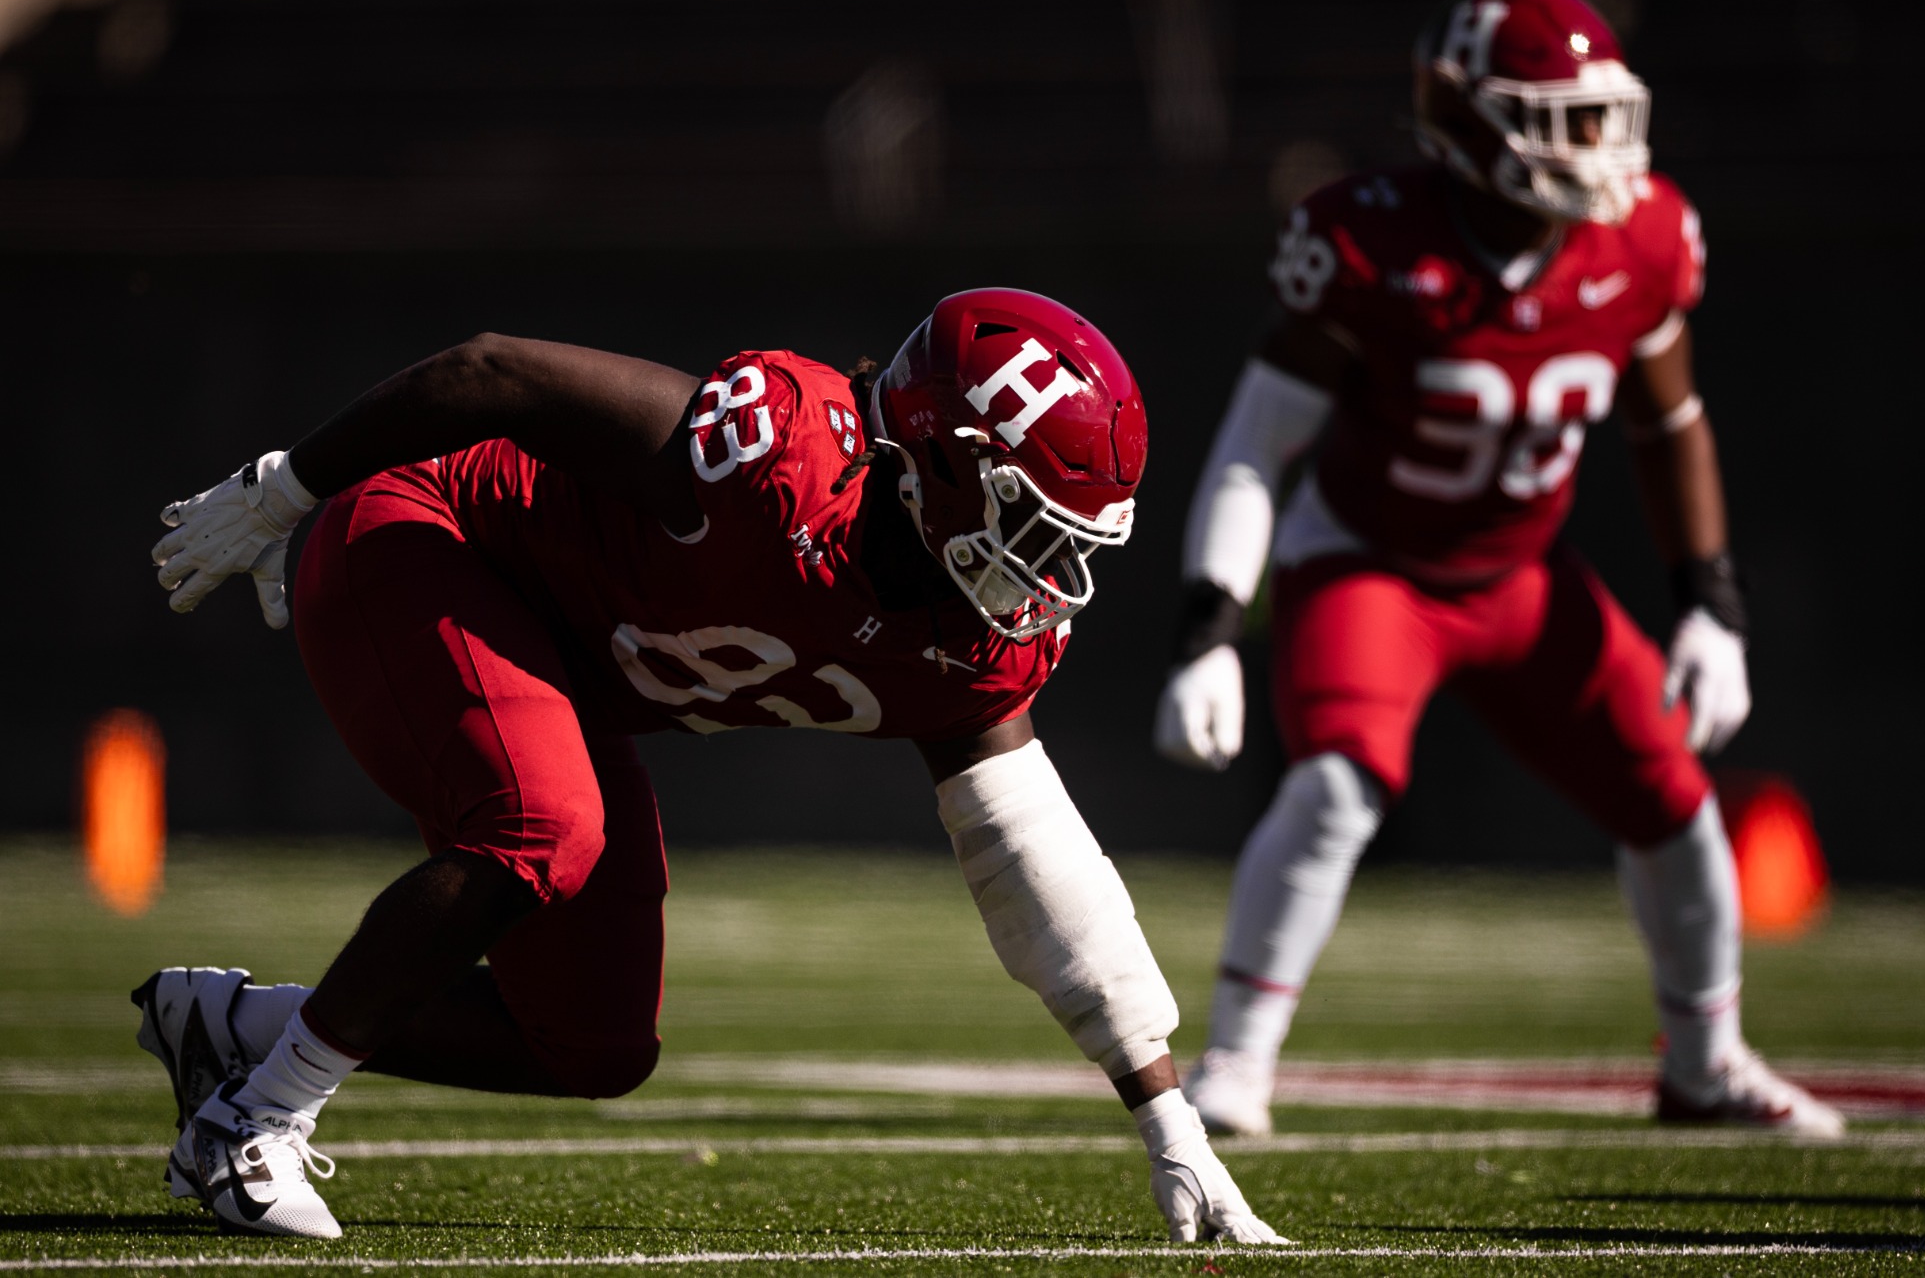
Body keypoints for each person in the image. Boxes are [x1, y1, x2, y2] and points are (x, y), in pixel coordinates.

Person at [139, 287, 1287, 1244]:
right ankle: (251, 1123)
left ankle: (240, 1029)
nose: (1042, 574)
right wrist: (282, 491)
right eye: (1029, 524)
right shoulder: (775, 456)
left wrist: (1168, 1126)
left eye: (1066, 544)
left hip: (559, 666)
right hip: (417, 542)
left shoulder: (971, 640)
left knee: (592, 1043)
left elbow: (1032, 858)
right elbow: (491, 373)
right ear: (941, 459)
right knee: (546, 827)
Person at [1153, 0, 1843, 1141]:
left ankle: (1704, 1063)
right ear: (1470, 119)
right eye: (1560, 116)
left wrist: (1708, 603)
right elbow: (1254, 442)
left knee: (1674, 802)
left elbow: (1667, 424)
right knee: (1333, 786)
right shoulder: (1366, 240)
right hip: (1369, 563)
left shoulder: (1640, 238)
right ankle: (1234, 1064)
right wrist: (1208, 627)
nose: (1595, 147)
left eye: (1600, 113)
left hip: (1522, 575)